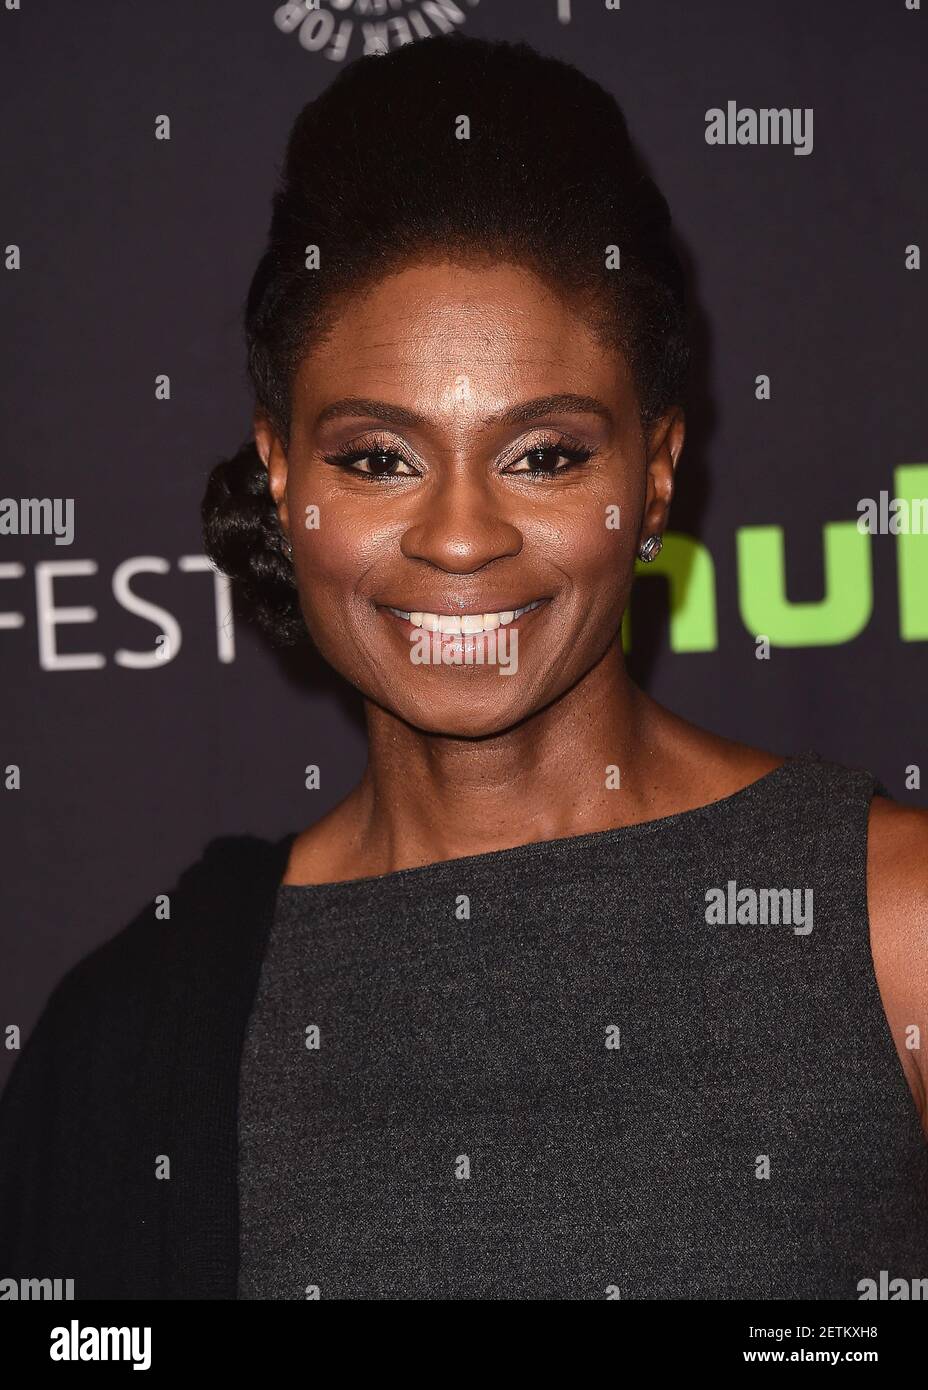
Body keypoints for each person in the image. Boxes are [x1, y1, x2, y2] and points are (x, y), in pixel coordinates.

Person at [1, 33, 926, 1301]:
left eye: (543, 454)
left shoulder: (896, 928)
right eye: (377, 457)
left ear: (654, 471)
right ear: (279, 470)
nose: (458, 534)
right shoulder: (131, 1033)